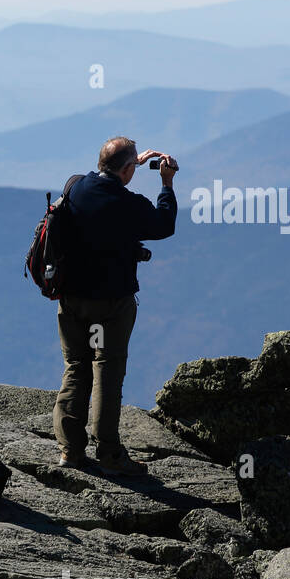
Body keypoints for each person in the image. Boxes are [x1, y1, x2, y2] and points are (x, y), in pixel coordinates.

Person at [53, 137, 178, 476]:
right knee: (107, 372)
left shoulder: (76, 188)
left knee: (76, 366)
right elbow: (164, 225)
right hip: (111, 303)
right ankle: (108, 453)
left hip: (71, 299)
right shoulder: (129, 204)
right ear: (127, 168)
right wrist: (166, 184)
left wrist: (130, 163)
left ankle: (69, 451)